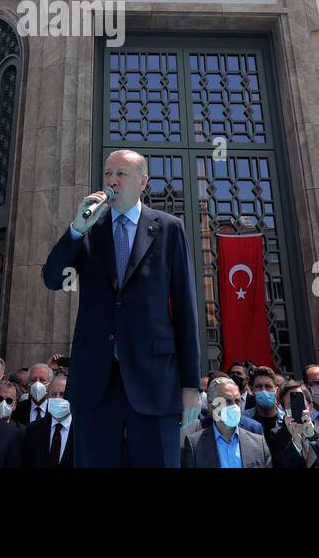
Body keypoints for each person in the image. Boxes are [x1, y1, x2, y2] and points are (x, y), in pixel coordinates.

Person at [41, 149, 202, 468]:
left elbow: (185, 308)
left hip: (154, 381)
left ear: (143, 182)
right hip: (95, 383)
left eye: (121, 174)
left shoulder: (169, 228)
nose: (112, 181)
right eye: (108, 174)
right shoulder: (89, 230)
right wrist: (76, 229)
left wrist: (190, 385)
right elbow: (52, 278)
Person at [180, 376, 272, 468]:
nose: (234, 407)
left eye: (237, 401)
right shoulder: (194, 445)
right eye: (227, 401)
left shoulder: (259, 443)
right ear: (212, 408)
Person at [265, 378, 319, 469]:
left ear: (310, 407)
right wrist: (295, 443)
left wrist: (313, 438)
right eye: (290, 405)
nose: (295, 409)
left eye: (300, 404)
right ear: (284, 410)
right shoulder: (277, 436)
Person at [22, 373, 74, 468]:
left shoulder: (82, 431)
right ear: (47, 397)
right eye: (53, 394)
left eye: (62, 394)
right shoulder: (33, 429)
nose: (58, 398)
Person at [245, 366, 282, 432]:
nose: (263, 390)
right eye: (258, 386)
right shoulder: (244, 420)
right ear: (252, 390)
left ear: (276, 390)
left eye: (268, 386)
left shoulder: (285, 419)